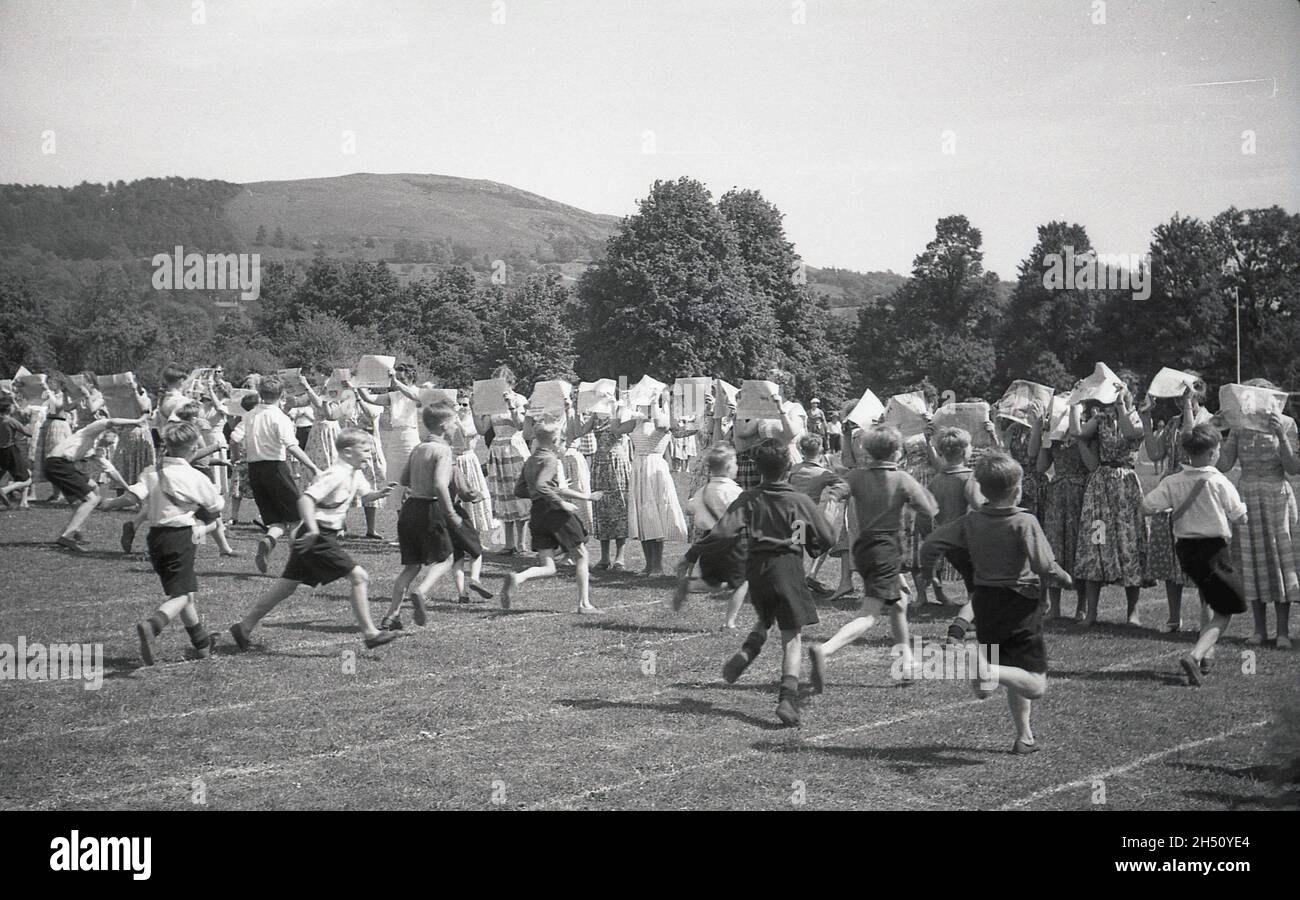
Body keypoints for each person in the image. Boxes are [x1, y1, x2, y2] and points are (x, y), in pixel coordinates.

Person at [921, 452, 1072, 754]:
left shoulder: (970, 521)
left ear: (982, 490)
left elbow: (930, 545)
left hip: (985, 604)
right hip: (1019, 604)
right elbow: (1043, 565)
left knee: (1003, 673)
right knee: (1035, 683)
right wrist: (1065, 578)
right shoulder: (1024, 520)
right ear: (1017, 490)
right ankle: (989, 672)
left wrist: (928, 574)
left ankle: (1024, 735)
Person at [682, 438, 836, 727]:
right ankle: (787, 699)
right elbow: (827, 539)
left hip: (756, 571)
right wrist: (815, 535)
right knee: (792, 637)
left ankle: (747, 651)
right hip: (788, 568)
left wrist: (692, 554)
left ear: (757, 468)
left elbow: (723, 533)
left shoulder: (748, 498)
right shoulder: (798, 500)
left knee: (767, 617)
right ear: (788, 467)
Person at [229, 428, 399, 651]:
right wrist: (311, 530)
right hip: (317, 535)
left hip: (318, 535)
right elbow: (306, 500)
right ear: (348, 452)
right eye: (366, 450)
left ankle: (243, 628)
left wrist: (379, 494)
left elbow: (363, 495)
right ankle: (370, 633)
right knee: (359, 577)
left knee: (285, 587)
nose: (370, 454)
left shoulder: (354, 473)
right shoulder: (335, 474)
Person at [808, 425, 936, 692]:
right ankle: (825, 649)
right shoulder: (902, 479)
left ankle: (906, 665)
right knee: (869, 615)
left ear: (866, 451)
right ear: (898, 452)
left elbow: (838, 492)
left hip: (863, 547)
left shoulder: (857, 476)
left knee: (900, 602)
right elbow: (928, 508)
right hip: (886, 548)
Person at [1143, 424, 1250, 683]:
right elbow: (1240, 517)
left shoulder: (1172, 481)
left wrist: (1171, 509)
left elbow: (1147, 506)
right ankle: (1196, 654)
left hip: (1186, 551)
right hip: (1215, 550)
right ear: (1213, 452)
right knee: (1228, 608)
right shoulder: (1219, 481)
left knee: (1211, 600)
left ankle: (1206, 656)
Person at [128, 421, 224, 665]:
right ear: (193, 449)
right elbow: (215, 506)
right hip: (180, 537)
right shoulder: (194, 476)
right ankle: (153, 625)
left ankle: (201, 644)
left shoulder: (152, 471)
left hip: (156, 538)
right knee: (182, 594)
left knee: (183, 591)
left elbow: (137, 494)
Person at [1215, 378, 1299, 649]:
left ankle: (1283, 631)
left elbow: (1294, 467)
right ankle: (1259, 630)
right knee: (1253, 563)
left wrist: (1281, 435)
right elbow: (1225, 465)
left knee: (1278, 562)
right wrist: (1216, 431)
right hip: (1248, 496)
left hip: (1276, 496)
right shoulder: (1241, 427)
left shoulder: (1285, 423)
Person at [500, 419, 603, 613]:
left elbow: (520, 490)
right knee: (581, 555)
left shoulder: (530, 460)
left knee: (549, 566)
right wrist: (560, 502)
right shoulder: (551, 459)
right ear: (556, 439)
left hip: (537, 514)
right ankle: (584, 604)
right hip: (554, 513)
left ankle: (518, 578)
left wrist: (583, 496)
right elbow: (542, 485)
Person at [1072, 375, 1147, 627]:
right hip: (1101, 484)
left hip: (1126, 484)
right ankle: (1091, 612)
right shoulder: (1101, 418)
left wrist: (1122, 405)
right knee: (1096, 543)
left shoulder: (1136, 416)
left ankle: (1132, 613)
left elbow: (1130, 432)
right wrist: (1076, 401)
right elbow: (1078, 432)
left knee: (1129, 545)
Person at [383, 405, 458, 630]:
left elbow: (404, 479)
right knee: (447, 559)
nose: (456, 427)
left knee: (411, 566)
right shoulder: (443, 450)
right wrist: (452, 514)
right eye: (454, 423)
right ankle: (421, 591)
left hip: (409, 509)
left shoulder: (418, 447)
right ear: (444, 426)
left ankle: (391, 615)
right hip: (429, 508)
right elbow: (439, 485)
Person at [1140, 383, 1203, 632]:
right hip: (1171, 488)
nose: (1180, 400)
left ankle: (1205, 620)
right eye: (1178, 396)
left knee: (1198, 556)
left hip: (1195, 489)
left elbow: (1191, 441)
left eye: (1186, 395)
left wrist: (1188, 404)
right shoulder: (1174, 422)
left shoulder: (1208, 419)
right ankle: (1173, 617)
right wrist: (1147, 420)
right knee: (1169, 554)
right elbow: (1155, 454)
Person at [243, 375, 321, 574]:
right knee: (296, 518)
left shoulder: (250, 415)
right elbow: (292, 447)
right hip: (275, 468)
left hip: (255, 470)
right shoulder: (280, 417)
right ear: (283, 394)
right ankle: (298, 564)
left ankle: (268, 540)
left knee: (276, 520)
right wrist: (313, 467)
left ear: (260, 393)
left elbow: (236, 440)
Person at [43, 410, 147, 551]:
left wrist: (129, 489)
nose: (116, 437)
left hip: (57, 465)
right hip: (58, 464)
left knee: (89, 490)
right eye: (116, 433)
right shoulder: (91, 430)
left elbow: (111, 471)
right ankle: (66, 537)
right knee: (91, 499)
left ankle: (76, 532)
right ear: (109, 431)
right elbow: (112, 420)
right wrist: (137, 421)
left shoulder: (92, 449)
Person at [680, 445, 748, 629]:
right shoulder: (735, 492)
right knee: (742, 582)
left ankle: (689, 586)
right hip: (731, 543)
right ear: (728, 468)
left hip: (707, 543)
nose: (737, 467)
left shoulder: (703, 491)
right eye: (734, 463)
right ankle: (729, 622)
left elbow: (689, 509)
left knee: (713, 583)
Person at [927, 427, 984, 644]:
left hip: (947, 543)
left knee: (973, 583)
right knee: (982, 586)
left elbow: (925, 514)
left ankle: (976, 620)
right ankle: (958, 629)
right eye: (970, 446)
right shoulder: (970, 477)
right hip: (969, 540)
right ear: (963, 452)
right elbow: (977, 505)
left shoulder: (936, 480)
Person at [626, 389, 692, 576]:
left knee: (655, 512)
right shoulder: (637, 418)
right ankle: (648, 565)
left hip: (654, 467)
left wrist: (658, 403)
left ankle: (657, 565)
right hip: (638, 466)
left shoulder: (663, 416)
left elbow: (662, 426)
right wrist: (622, 403)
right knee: (643, 514)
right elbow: (616, 429)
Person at [477, 365, 531, 554]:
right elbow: (482, 429)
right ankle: (509, 544)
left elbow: (521, 426)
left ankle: (522, 542)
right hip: (497, 450)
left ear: (510, 382)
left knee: (518, 494)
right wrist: (479, 410)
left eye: (503, 383)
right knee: (502, 495)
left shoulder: (519, 399)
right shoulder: (491, 402)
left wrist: (512, 406)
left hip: (515, 447)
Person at [788, 432, 848, 594]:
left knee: (796, 547)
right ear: (820, 449)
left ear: (801, 450)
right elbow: (843, 483)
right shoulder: (822, 473)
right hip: (809, 517)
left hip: (792, 515)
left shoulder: (794, 469)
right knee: (826, 541)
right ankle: (809, 575)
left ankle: (800, 577)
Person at [587, 401, 635, 571]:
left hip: (617, 462)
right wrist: (589, 414)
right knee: (602, 508)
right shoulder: (597, 412)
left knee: (619, 507)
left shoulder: (622, 410)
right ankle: (604, 557)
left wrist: (617, 408)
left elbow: (620, 430)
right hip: (599, 463)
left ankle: (620, 557)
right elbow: (581, 431)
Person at [0, 394, 34, 506]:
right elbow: (29, 433)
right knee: (27, 479)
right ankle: (5, 490)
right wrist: (32, 421)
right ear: (9, 408)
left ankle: (22, 502)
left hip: (1, 451)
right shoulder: (10, 421)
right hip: (11, 451)